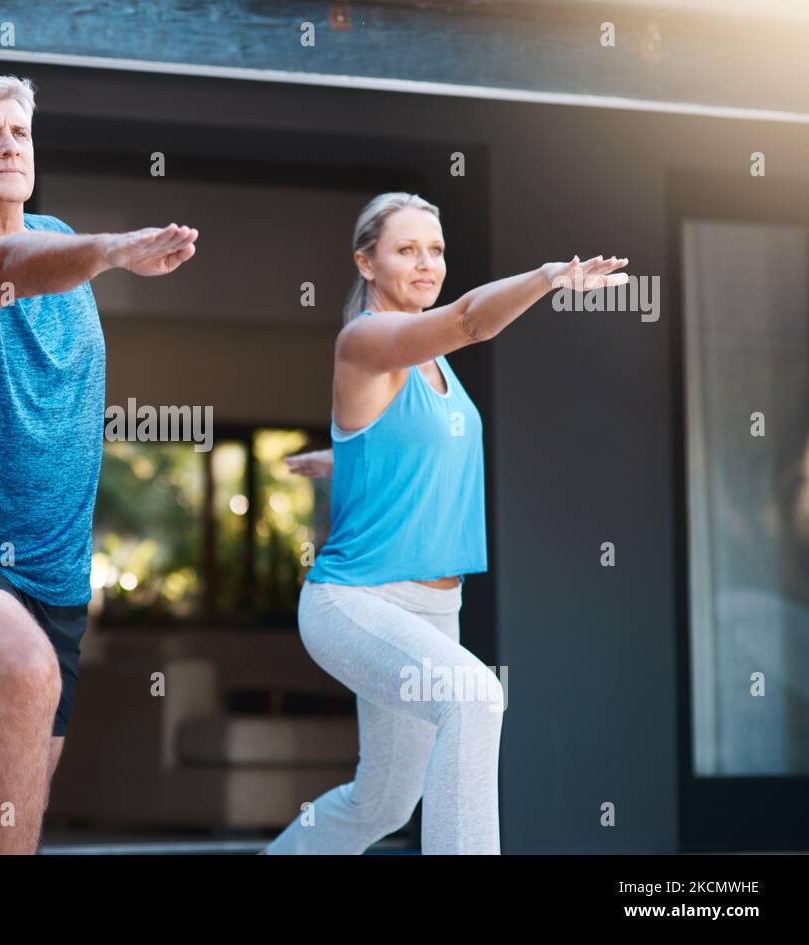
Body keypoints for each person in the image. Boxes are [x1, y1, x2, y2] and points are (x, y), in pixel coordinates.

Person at [0, 72, 198, 854]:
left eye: (20, 133)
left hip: (55, 572)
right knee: (23, 675)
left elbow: (40, 253)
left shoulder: (58, 238)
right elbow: (11, 267)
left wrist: (89, 252)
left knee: (3, 802)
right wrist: (113, 250)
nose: (11, 145)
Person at [265, 192, 627, 854]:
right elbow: (468, 319)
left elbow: (399, 441)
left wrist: (341, 458)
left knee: (380, 802)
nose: (427, 263)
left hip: (434, 609)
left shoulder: (435, 365)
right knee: (475, 697)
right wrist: (547, 276)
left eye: (435, 249)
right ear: (365, 262)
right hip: (355, 600)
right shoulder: (368, 338)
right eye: (406, 249)